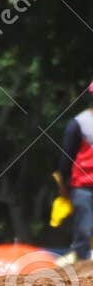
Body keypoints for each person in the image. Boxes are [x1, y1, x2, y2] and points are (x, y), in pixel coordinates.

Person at [57, 80, 93, 264]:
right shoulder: (79, 123)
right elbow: (67, 157)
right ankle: (84, 268)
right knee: (84, 230)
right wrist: (64, 183)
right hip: (83, 186)